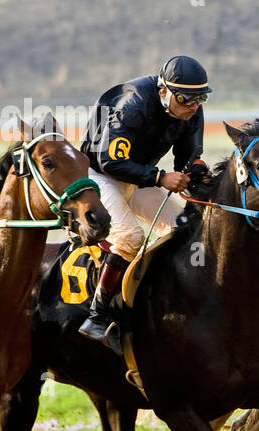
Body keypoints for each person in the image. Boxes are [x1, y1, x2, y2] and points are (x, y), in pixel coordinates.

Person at [77, 55, 212, 351]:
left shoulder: (190, 108)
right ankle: (97, 316)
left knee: (186, 228)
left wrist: (196, 168)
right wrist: (161, 177)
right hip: (99, 175)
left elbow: (188, 154)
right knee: (130, 237)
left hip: (140, 176)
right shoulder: (133, 105)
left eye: (200, 98)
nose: (193, 106)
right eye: (187, 99)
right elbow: (110, 160)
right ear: (164, 91)